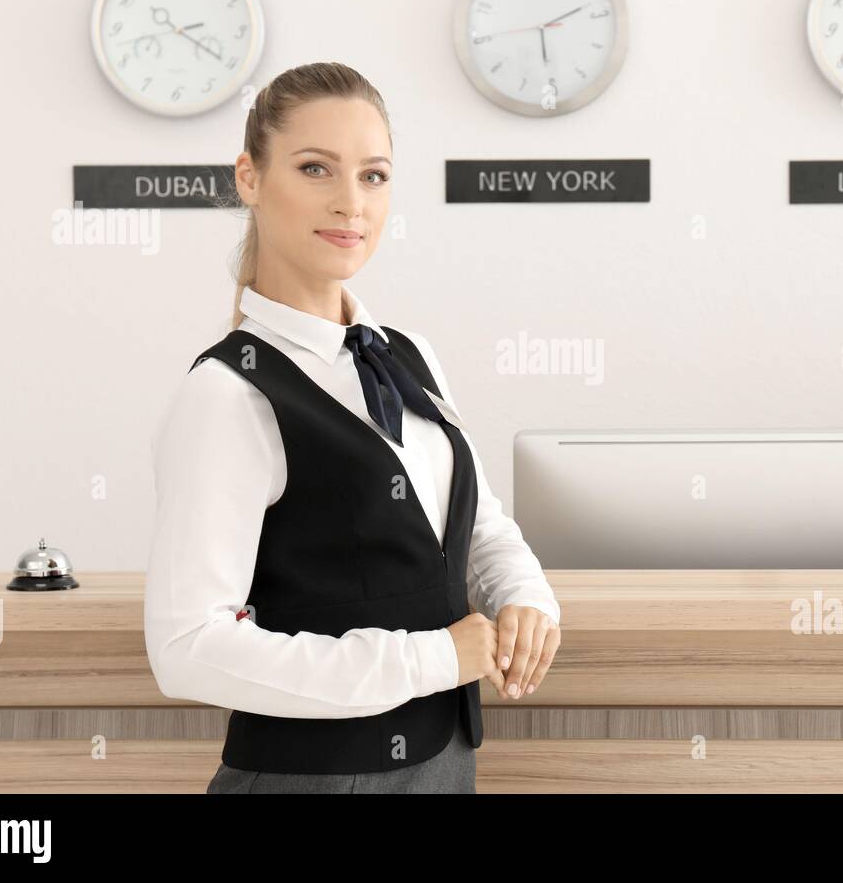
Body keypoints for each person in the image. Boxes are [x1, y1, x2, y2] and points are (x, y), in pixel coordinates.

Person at [143, 61, 562, 793]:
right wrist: (433, 659)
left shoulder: (406, 353)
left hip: (442, 763)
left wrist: (525, 597)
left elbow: (474, 527)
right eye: (315, 169)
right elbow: (186, 648)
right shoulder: (228, 393)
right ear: (249, 178)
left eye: (373, 176)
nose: (350, 204)